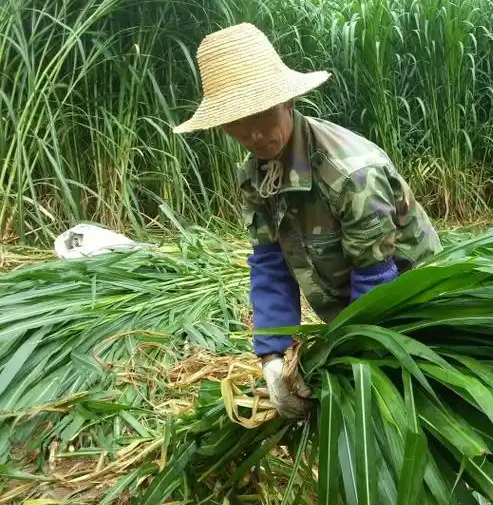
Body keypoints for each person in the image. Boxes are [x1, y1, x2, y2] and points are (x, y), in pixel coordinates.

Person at [173, 23, 442, 418]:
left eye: (262, 112)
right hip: (347, 307)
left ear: (289, 101)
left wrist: (351, 361)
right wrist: (273, 355)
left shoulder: (350, 174)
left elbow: (375, 280)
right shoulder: (254, 176)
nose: (254, 133)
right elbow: (269, 262)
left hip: (414, 307)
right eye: (237, 121)